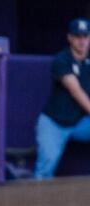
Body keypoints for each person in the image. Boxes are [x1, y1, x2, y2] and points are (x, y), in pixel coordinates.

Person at [35, 19, 90, 179]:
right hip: (54, 123)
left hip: (81, 123)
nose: (82, 41)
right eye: (77, 36)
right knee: (44, 171)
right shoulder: (62, 59)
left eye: (85, 36)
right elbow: (76, 92)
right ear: (70, 38)